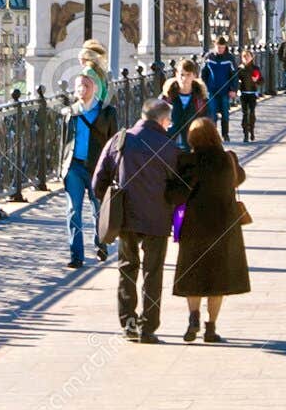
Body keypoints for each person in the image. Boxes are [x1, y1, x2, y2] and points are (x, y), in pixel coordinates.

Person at [92, 95, 180, 342]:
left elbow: (98, 181)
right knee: (153, 272)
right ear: (162, 120)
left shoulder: (119, 140)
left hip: (126, 218)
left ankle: (128, 324)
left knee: (127, 269)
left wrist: (110, 204)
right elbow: (178, 184)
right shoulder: (169, 146)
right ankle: (148, 327)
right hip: (157, 219)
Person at [166, 117, 250, 344]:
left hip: (194, 226)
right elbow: (239, 178)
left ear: (192, 139)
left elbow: (177, 194)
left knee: (194, 273)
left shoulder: (189, 162)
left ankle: (193, 316)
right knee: (217, 278)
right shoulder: (228, 159)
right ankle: (211, 328)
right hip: (224, 227)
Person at [61, 62, 118, 269]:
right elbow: (64, 141)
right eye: (79, 87)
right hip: (74, 167)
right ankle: (76, 255)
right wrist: (62, 167)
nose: (82, 90)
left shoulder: (107, 112)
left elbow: (114, 143)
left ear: (94, 88)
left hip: (97, 168)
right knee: (73, 210)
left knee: (99, 209)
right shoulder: (71, 112)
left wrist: (113, 169)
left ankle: (101, 243)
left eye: (86, 86)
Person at [201, 36, 237, 141]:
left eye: (222, 47)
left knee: (225, 113)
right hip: (211, 90)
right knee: (212, 114)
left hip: (225, 90)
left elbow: (234, 75)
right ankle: (214, 136)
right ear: (215, 46)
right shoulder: (209, 57)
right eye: (218, 47)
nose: (220, 49)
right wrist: (204, 88)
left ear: (225, 47)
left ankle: (225, 134)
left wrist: (233, 89)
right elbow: (203, 74)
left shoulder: (229, 58)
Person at [165, 60, 207, 148]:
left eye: (188, 75)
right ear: (176, 74)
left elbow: (208, 121)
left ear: (194, 76)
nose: (184, 79)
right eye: (182, 75)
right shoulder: (167, 97)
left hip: (193, 145)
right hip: (170, 145)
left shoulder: (201, 98)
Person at [236, 47, 263, 143]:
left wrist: (257, 81)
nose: (246, 58)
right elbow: (236, 80)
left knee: (252, 113)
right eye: (244, 57)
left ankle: (251, 130)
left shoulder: (256, 68)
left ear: (252, 57)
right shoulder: (240, 68)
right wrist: (237, 89)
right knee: (244, 113)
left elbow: (261, 81)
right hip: (243, 93)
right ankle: (245, 134)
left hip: (252, 93)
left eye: (248, 56)